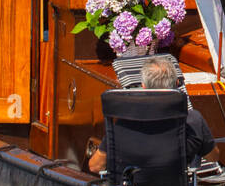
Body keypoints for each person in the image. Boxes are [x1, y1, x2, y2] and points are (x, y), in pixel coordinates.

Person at [88, 55, 217, 172]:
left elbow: (95, 166)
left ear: (143, 87)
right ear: (177, 84)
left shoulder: (125, 123)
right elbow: (213, 157)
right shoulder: (193, 121)